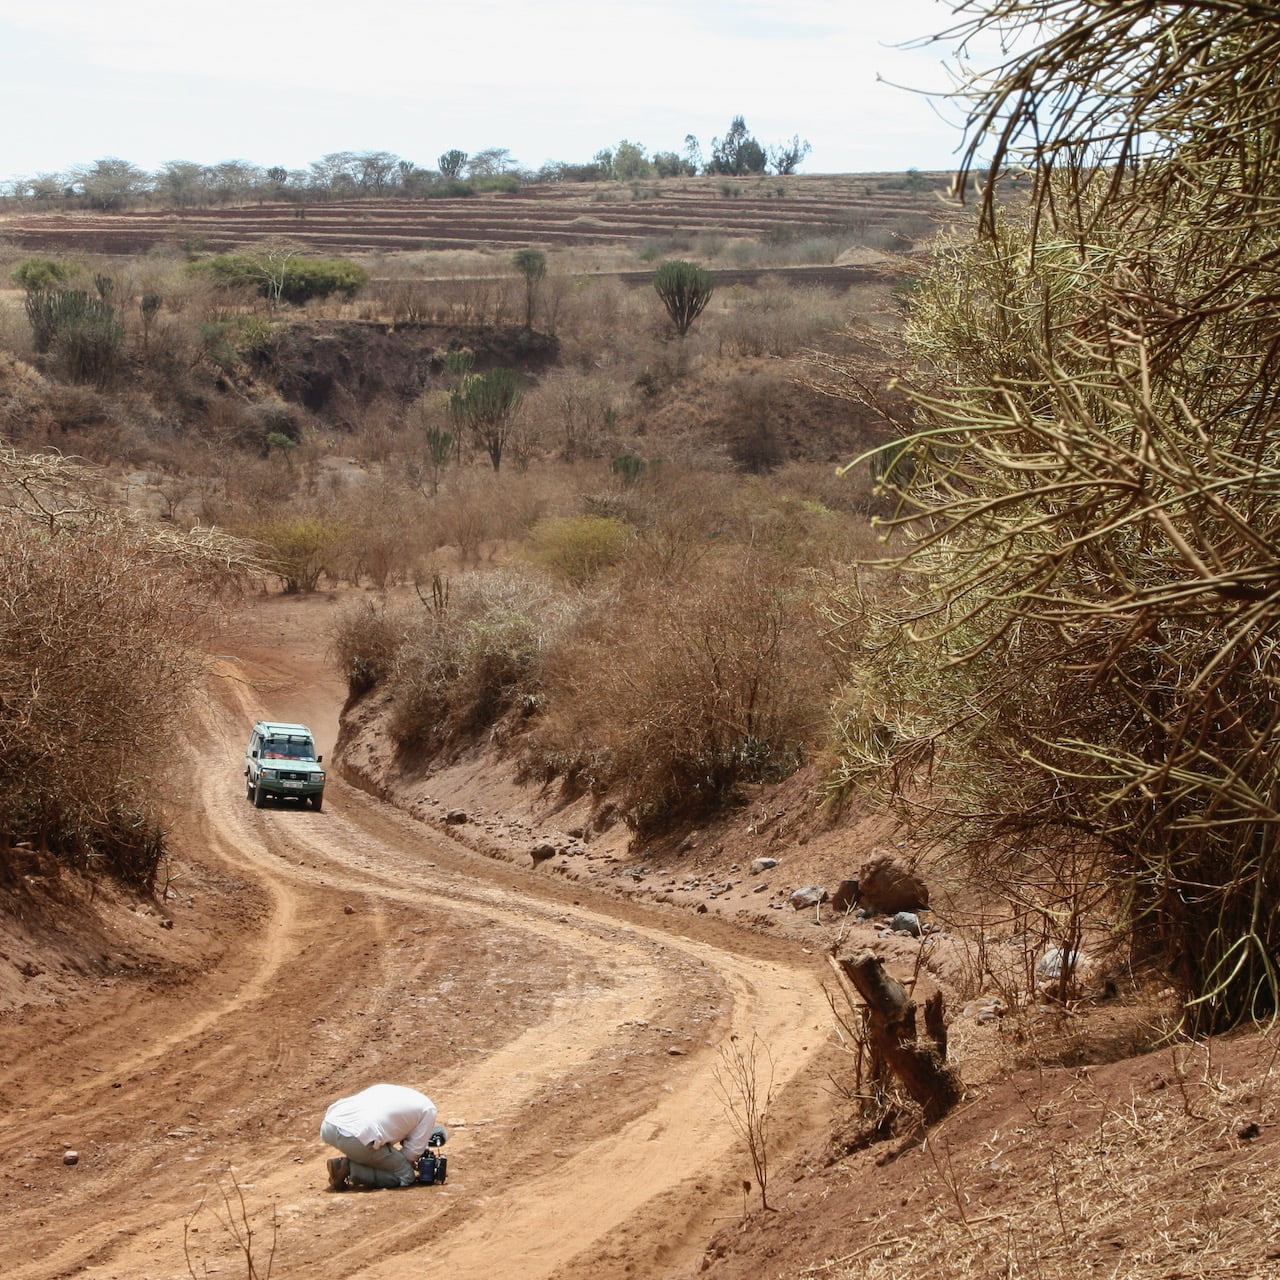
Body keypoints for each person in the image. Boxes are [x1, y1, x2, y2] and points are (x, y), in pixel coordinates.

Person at [320, 1082, 443, 1190]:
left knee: (378, 1153)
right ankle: (349, 1169)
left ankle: (355, 1162)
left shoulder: (393, 1092)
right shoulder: (429, 1110)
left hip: (329, 1125)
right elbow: (410, 1155)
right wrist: (414, 1165)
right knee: (406, 1175)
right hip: (356, 1138)